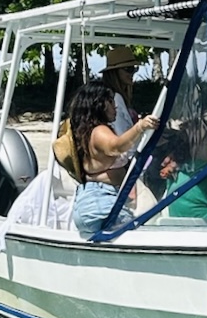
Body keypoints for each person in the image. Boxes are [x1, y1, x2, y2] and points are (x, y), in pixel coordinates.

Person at [67, 79, 159, 239]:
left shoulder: (87, 132)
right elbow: (115, 147)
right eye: (109, 101)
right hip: (100, 202)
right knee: (140, 238)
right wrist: (140, 127)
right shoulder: (99, 131)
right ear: (97, 104)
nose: (115, 105)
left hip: (95, 203)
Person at [99, 46, 140, 134]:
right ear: (115, 72)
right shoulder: (114, 98)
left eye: (134, 69)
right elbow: (121, 132)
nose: (132, 73)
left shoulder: (117, 96)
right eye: (128, 69)